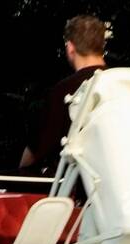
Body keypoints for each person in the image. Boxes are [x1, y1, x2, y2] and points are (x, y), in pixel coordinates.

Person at [20, 15, 107, 175]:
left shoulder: (63, 90)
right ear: (101, 45)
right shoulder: (120, 82)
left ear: (70, 47)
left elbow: (37, 148)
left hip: (71, 182)